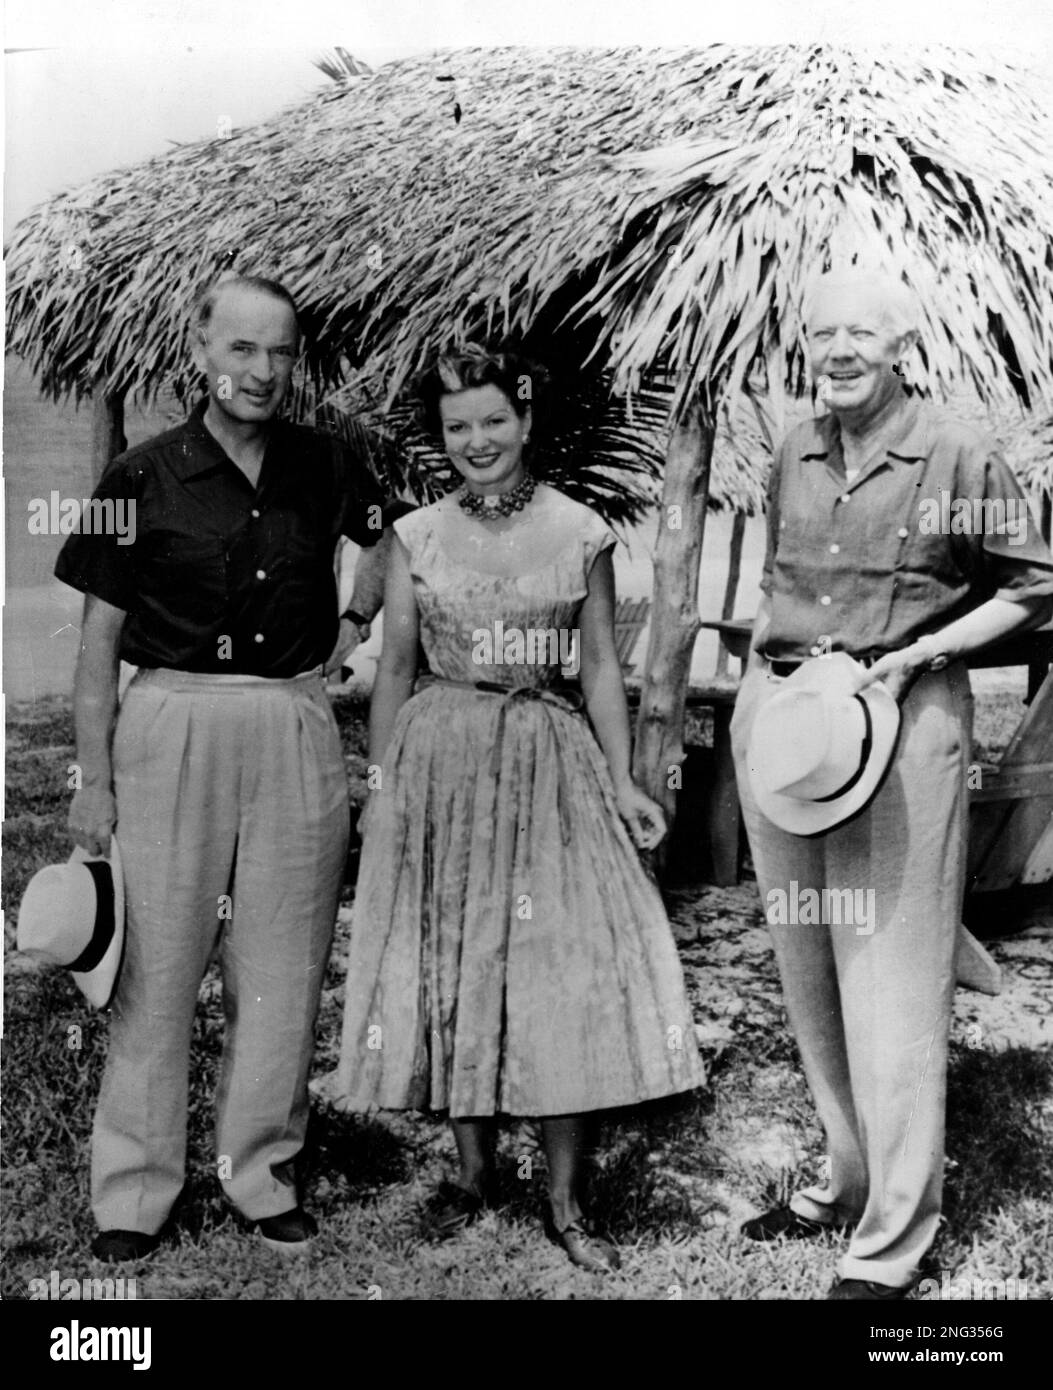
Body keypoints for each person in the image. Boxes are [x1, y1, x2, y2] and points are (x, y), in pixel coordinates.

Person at [317, 344, 706, 1272]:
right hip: (440, 756)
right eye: (457, 428)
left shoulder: (579, 531)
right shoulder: (413, 535)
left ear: (526, 422)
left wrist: (622, 780)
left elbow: (603, 668)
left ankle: (565, 1198)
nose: (477, 441)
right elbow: (397, 668)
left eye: (494, 420)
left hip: (546, 755)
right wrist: (378, 789)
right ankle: (470, 1175)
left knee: (557, 964)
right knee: (454, 950)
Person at [57, 273, 406, 1262]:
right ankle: (132, 1192)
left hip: (292, 719)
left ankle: (262, 1176)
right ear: (202, 348)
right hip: (169, 723)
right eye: (241, 349)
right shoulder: (139, 476)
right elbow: (95, 651)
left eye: (279, 352)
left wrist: (350, 623)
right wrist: (96, 780)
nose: (260, 371)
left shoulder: (328, 463)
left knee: (285, 966)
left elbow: (387, 543)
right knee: (157, 968)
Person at [731, 267, 1053, 1300]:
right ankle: (849, 1176)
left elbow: (1035, 583)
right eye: (822, 333)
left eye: (860, 333)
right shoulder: (794, 446)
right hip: (792, 725)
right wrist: (760, 685)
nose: (838, 351)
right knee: (811, 966)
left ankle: (895, 1238)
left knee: (895, 982)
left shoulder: (955, 452)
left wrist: (926, 656)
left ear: (902, 346)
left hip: (901, 724)